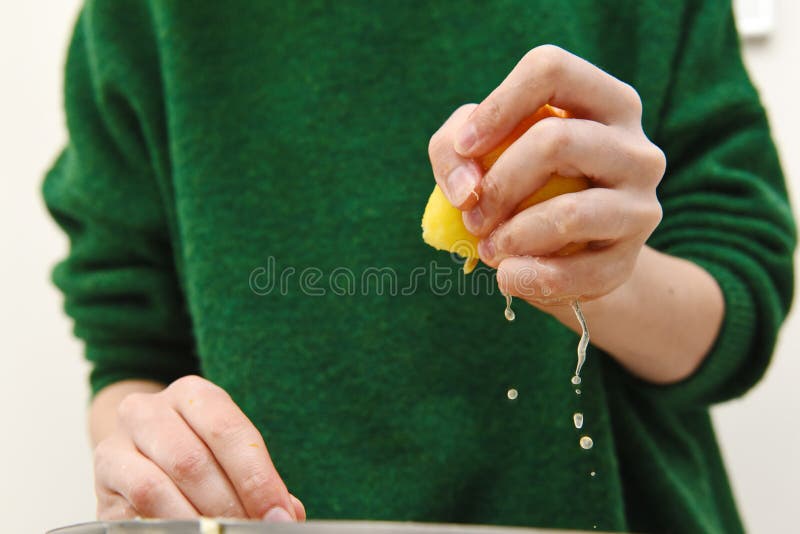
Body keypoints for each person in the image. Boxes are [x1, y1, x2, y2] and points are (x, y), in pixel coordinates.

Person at [43, 1, 794, 532]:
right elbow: (130, 349)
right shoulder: (140, 19)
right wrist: (148, 454)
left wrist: (596, 267)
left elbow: (739, 305)